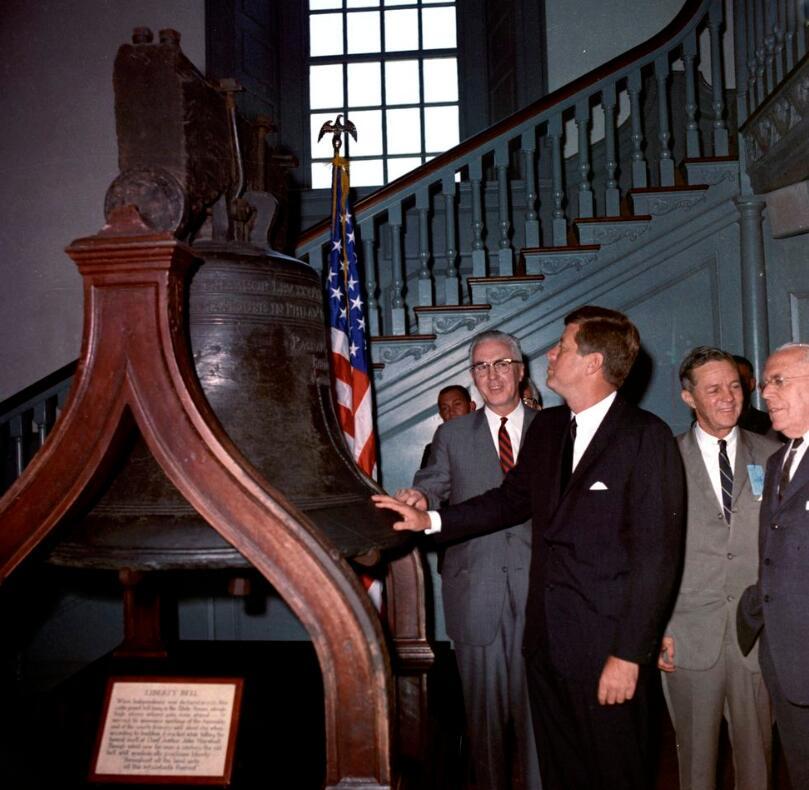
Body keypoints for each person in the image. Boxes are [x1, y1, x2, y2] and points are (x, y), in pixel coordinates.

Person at [375, 305, 685, 790]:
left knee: (616, 772)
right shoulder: (549, 429)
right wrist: (430, 518)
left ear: (593, 363)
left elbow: (657, 560)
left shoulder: (647, 438)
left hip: (608, 653)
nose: (552, 353)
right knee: (562, 773)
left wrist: (628, 655)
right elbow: (506, 501)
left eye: (562, 346)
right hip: (546, 648)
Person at [400, 330, 540, 790]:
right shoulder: (452, 434)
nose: (492, 375)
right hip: (475, 594)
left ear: (521, 371)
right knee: (484, 728)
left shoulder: (554, 427)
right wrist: (420, 496)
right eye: (481, 367)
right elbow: (434, 482)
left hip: (543, 594)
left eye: (502, 364)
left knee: (542, 723)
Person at [659, 347, 778, 790]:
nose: (728, 397)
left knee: (758, 762)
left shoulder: (774, 456)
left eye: (734, 386)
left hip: (757, 637)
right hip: (687, 638)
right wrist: (658, 627)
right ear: (688, 397)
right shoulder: (662, 460)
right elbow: (648, 555)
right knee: (695, 765)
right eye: (713, 389)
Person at [738, 342, 809, 788]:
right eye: (765, 383)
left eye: (779, 381)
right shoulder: (778, 459)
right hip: (785, 657)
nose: (766, 393)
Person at [420, 385, 476, 469]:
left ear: (471, 407)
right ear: (441, 415)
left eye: (457, 404)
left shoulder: (492, 439)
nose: (451, 412)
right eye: (445, 408)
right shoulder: (432, 451)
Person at [733, 354, 775, 436]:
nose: (737, 386)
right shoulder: (709, 423)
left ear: (752, 383)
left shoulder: (770, 424)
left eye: (741, 380)